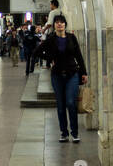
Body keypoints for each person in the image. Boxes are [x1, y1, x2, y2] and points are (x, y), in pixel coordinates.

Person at [37, 14, 88, 142]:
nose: (60, 24)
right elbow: (37, 52)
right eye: (57, 22)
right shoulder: (51, 39)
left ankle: (75, 133)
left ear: (65, 24)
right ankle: (64, 133)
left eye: (62, 22)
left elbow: (79, 56)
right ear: (54, 25)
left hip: (72, 74)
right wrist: (49, 59)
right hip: (57, 75)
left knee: (71, 103)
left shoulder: (72, 38)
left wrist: (84, 73)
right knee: (60, 105)